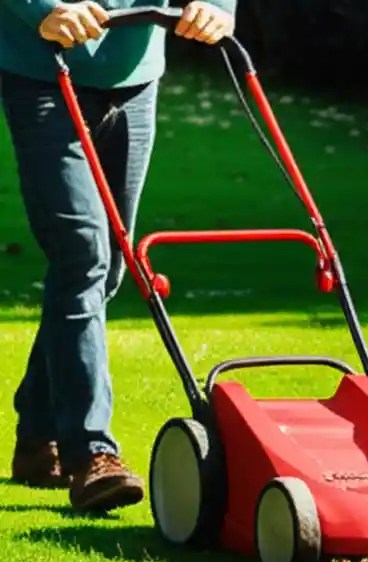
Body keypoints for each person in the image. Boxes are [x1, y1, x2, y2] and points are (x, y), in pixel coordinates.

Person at [3, 0, 236, 511]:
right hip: (44, 71)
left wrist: (218, 7)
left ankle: (38, 434)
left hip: (135, 76)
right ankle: (91, 454)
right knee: (82, 254)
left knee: (104, 267)